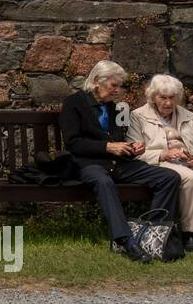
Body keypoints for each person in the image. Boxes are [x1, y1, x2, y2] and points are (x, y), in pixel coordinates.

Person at [59, 60, 179, 261]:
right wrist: (107, 147)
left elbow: (118, 141)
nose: (117, 90)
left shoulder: (116, 108)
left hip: (117, 164)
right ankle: (127, 241)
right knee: (104, 182)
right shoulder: (74, 103)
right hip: (87, 164)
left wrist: (132, 150)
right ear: (97, 81)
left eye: (119, 86)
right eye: (113, 85)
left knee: (169, 177)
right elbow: (72, 143)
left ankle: (152, 236)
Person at [128, 75, 193, 254]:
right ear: (153, 97)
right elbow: (136, 151)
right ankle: (190, 234)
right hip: (161, 164)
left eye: (172, 98)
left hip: (190, 163)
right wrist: (163, 153)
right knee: (190, 179)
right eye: (163, 98)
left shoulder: (189, 116)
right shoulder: (138, 116)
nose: (168, 103)